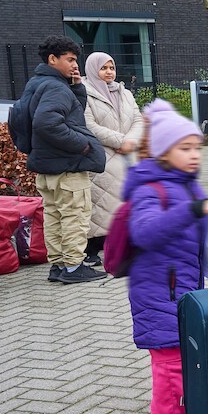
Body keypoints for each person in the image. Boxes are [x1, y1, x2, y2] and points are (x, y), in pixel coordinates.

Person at [123, 99, 208, 414]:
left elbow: (203, 228)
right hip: (158, 295)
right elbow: (146, 232)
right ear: (165, 152)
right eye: (186, 148)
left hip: (183, 289)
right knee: (169, 367)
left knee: (183, 362)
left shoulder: (185, 184)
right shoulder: (150, 189)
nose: (195, 155)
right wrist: (190, 211)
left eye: (197, 148)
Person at [18, 36, 107, 284]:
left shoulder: (38, 83)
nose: (74, 65)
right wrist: (83, 145)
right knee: (74, 216)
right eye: (69, 59)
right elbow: (48, 123)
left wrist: (77, 87)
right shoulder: (55, 87)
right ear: (52, 59)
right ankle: (73, 266)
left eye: (75, 60)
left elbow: (69, 115)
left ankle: (58, 266)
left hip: (47, 167)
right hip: (67, 166)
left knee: (54, 217)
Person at [81, 52, 143, 267]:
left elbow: (137, 118)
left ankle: (124, 246)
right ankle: (93, 249)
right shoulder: (83, 92)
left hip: (128, 156)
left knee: (126, 203)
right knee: (101, 203)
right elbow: (88, 125)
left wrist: (130, 141)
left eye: (112, 67)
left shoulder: (124, 92)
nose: (109, 72)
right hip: (101, 156)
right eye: (104, 68)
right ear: (92, 69)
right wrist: (120, 141)